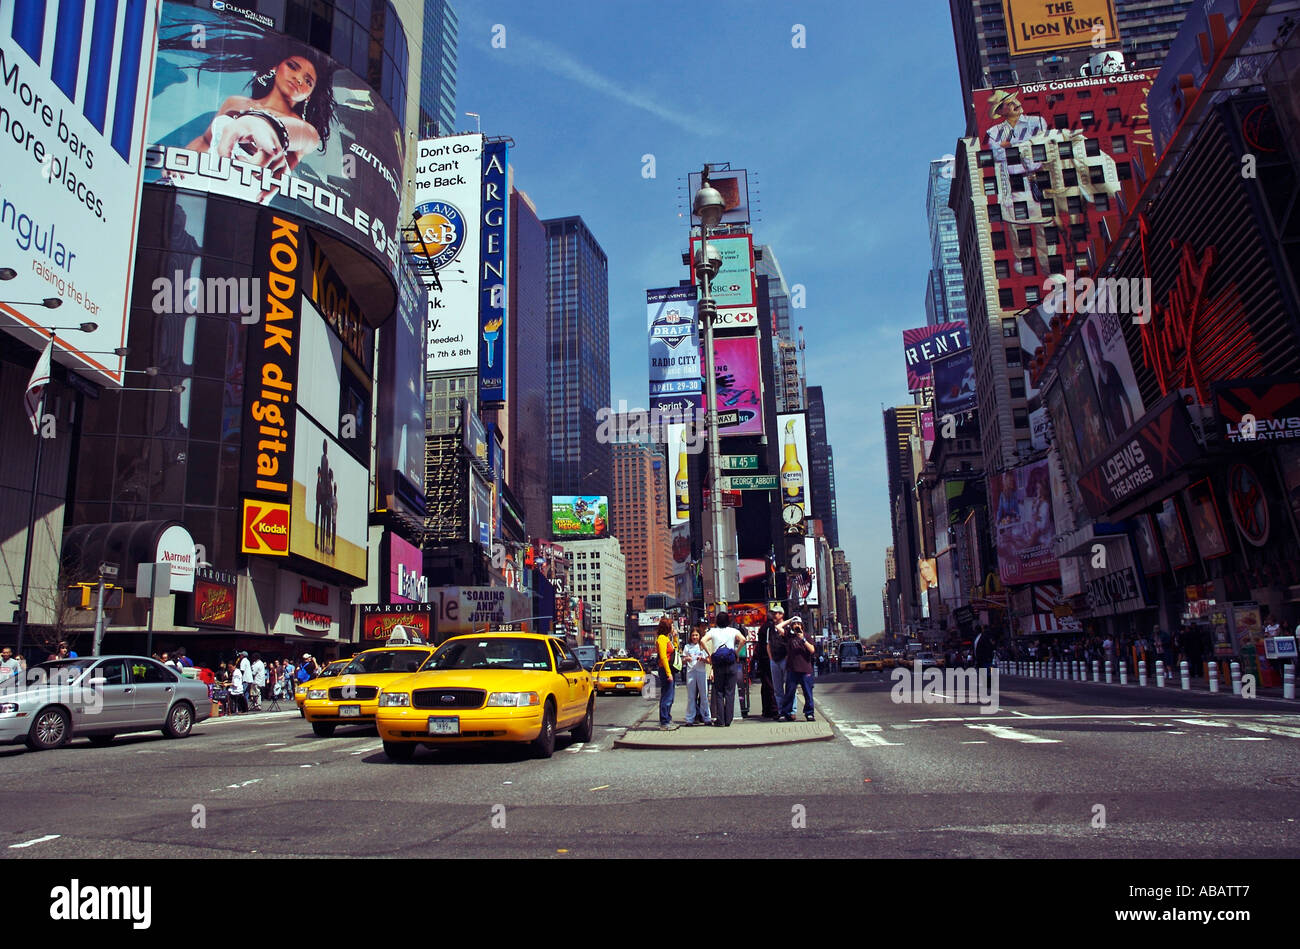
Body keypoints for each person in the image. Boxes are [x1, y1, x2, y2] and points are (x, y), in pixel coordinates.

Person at [163, 29, 339, 204]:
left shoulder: (306, 131)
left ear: (309, 95)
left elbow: (286, 131)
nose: (298, 79)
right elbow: (206, 141)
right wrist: (177, 162)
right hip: (191, 189)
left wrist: (260, 124)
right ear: (276, 67)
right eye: (292, 67)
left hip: (239, 206)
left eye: (308, 81)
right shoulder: (235, 103)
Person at [704, 612, 745, 727]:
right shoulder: (733, 631)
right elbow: (743, 640)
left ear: (717, 621)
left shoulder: (713, 631)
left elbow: (703, 641)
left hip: (718, 664)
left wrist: (710, 655)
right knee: (730, 692)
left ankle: (720, 720)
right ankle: (728, 720)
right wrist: (736, 653)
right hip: (731, 663)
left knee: (719, 692)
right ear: (728, 621)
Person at [779, 616, 816, 722]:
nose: (797, 626)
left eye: (798, 624)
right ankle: (786, 713)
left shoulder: (807, 637)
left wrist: (802, 639)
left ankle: (809, 713)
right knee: (789, 692)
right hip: (792, 669)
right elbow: (778, 627)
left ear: (802, 626)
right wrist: (790, 620)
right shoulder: (789, 636)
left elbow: (812, 650)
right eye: (795, 624)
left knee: (808, 693)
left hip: (805, 670)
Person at [682, 629, 711, 726]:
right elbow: (683, 660)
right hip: (691, 672)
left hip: (701, 672)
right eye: (693, 635)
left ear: (699, 636)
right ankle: (690, 719)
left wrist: (702, 659)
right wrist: (687, 659)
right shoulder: (687, 647)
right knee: (691, 696)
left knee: (704, 696)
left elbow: (708, 660)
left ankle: (707, 717)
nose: (694, 637)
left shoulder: (702, 646)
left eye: (696, 635)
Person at [767, 605, 791, 718]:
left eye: (776, 613)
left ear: (782, 614)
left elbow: (790, 643)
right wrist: (771, 658)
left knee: (790, 686)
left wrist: (787, 656)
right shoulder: (770, 628)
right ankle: (781, 711)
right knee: (777, 688)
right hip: (775, 660)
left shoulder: (788, 627)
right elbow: (768, 644)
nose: (773, 615)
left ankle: (791, 711)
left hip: (785, 659)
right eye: (773, 613)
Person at [758, 607, 780, 719]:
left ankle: (767, 709)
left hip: (763, 659)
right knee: (772, 685)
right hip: (768, 659)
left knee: (766, 685)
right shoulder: (770, 627)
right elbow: (767, 644)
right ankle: (774, 709)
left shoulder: (764, 627)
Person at [654, 618, 676, 728]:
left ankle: (667, 717)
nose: (673, 628)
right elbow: (663, 657)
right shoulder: (662, 639)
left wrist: (675, 638)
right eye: (672, 626)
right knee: (667, 696)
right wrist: (668, 673)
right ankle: (664, 721)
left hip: (669, 669)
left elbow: (675, 651)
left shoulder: (667, 638)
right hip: (665, 669)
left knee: (670, 696)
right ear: (667, 627)